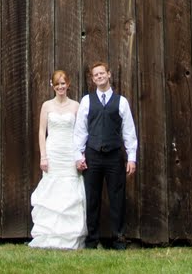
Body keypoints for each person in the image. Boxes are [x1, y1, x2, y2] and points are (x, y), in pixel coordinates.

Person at [72, 61, 137, 249]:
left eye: (102, 73)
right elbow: (80, 130)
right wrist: (78, 156)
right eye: (95, 75)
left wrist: (131, 157)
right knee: (92, 198)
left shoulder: (121, 102)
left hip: (114, 156)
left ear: (109, 75)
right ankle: (92, 240)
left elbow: (128, 131)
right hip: (92, 156)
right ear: (93, 79)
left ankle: (119, 240)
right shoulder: (86, 101)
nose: (99, 77)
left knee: (117, 198)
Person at [28, 69, 86, 249]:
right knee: (52, 188)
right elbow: (41, 131)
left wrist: (80, 155)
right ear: (52, 85)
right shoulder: (47, 106)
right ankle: (49, 235)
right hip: (53, 151)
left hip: (69, 152)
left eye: (63, 83)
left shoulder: (76, 106)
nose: (60, 87)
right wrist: (43, 156)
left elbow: (81, 132)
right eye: (57, 84)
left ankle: (69, 237)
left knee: (69, 188)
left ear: (68, 85)